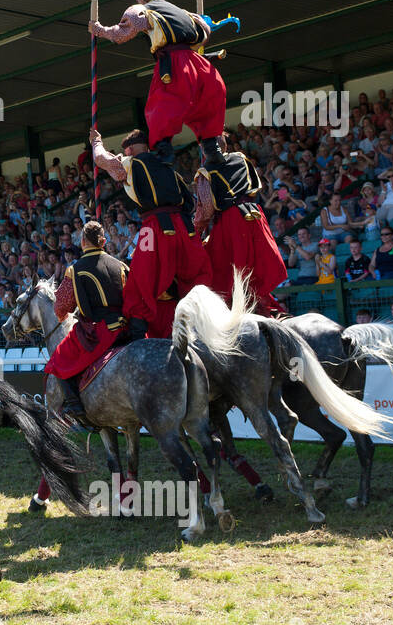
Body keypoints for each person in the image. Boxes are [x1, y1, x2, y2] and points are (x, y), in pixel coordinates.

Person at [90, 0, 227, 165]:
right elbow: (204, 33)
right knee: (205, 106)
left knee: (161, 107)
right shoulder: (183, 12)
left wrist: (99, 30)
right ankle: (212, 148)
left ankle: (164, 154)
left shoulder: (141, 9)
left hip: (174, 64)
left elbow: (122, 34)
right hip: (200, 64)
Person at [90, 125, 211, 340]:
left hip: (154, 228)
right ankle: (202, 324)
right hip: (184, 228)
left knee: (140, 278)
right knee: (195, 277)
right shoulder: (169, 170)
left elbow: (102, 160)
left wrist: (96, 143)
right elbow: (190, 202)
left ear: (130, 150)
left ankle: (137, 335)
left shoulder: (132, 163)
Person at [192, 135, 287, 316]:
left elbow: (205, 211)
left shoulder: (205, 171)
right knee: (252, 269)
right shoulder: (241, 158)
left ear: (204, 149)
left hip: (231, 219)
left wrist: (194, 234)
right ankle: (268, 310)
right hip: (254, 215)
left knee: (220, 270)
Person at [44, 221, 128, 426]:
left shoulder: (75, 269)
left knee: (58, 359)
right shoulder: (122, 266)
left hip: (99, 331)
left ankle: (74, 405)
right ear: (104, 241)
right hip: (127, 327)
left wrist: (64, 314)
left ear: (82, 242)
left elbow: (61, 307)